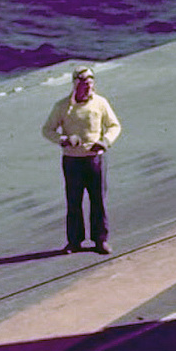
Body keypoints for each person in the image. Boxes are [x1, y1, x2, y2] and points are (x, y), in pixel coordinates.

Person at [42, 66, 121, 254]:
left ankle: (100, 240)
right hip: (72, 161)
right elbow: (47, 129)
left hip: (95, 160)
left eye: (91, 83)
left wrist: (105, 142)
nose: (88, 87)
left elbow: (114, 125)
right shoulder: (62, 107)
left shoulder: (100, 103)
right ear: (75, 83)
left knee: (98, 200)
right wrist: (64, 140)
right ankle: (74, 241)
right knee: (73, 201)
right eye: (84, 83)